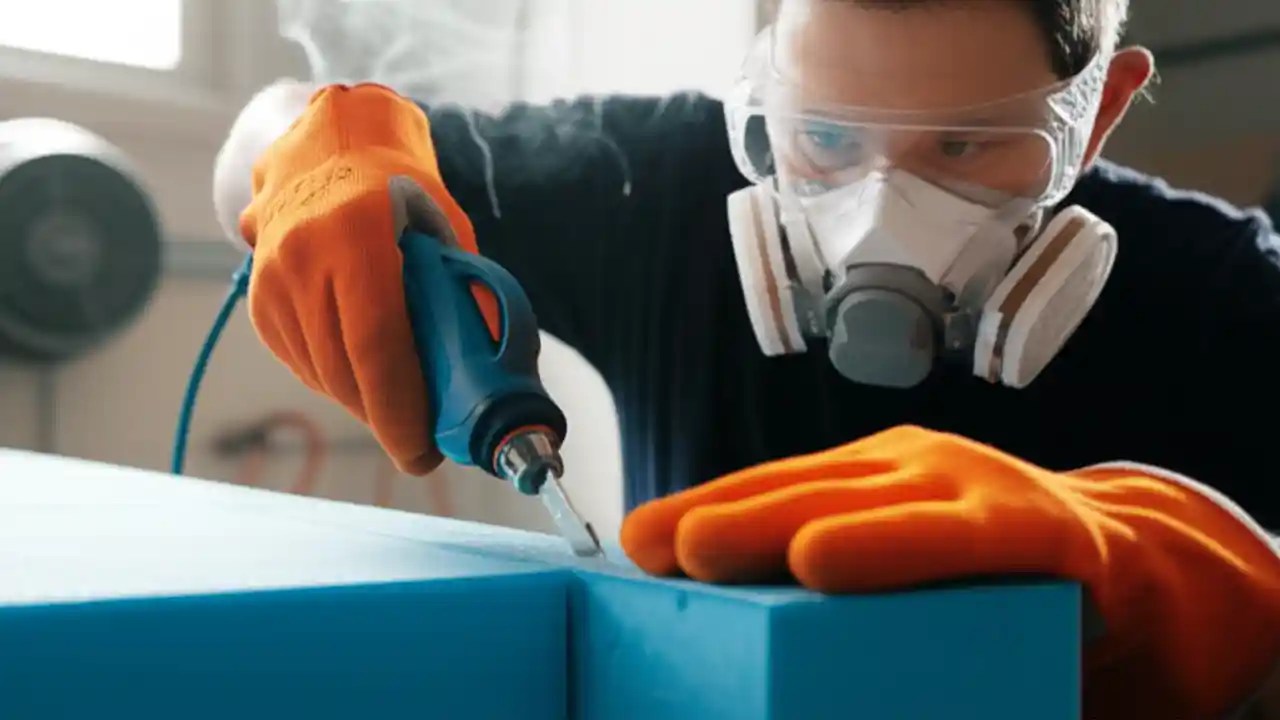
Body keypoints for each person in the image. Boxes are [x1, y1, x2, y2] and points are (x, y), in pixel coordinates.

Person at [214, 0, 1280, 716]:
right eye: (821, 137)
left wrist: (1223, 585)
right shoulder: (654, 191)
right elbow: (260, 138)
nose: (877, 216)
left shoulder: (1228, 288)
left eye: (961, 148)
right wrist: (315, 152)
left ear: (1092, 111)